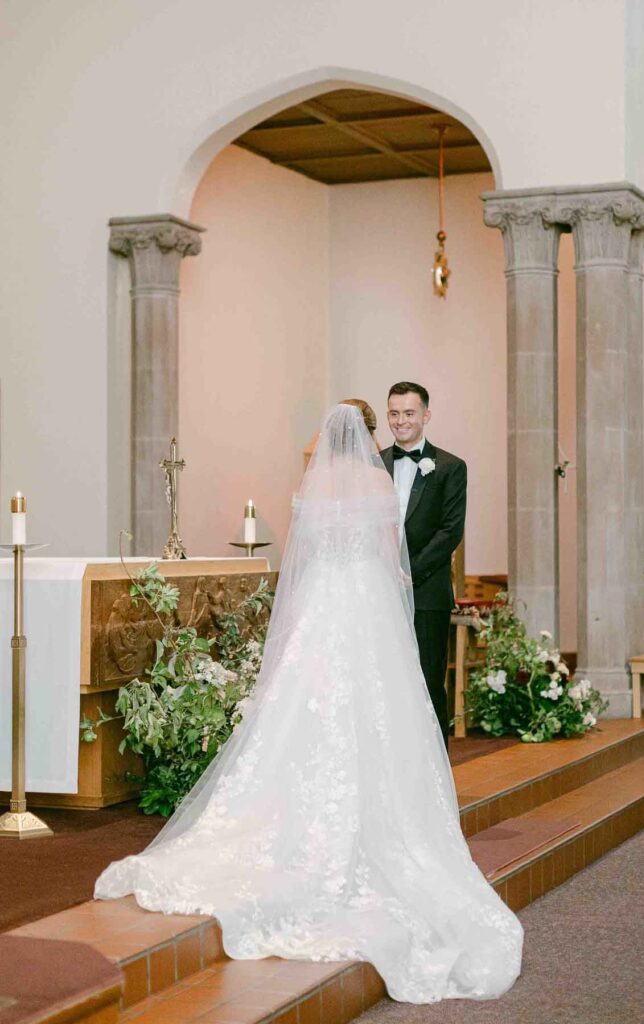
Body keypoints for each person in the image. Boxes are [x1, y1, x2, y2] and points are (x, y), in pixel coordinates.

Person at [95, 404, 522, 1004]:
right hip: (367, 603)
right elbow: (386, 550)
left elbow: (303, 554)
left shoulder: (314, 481)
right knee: (378, 709)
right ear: (372, 435)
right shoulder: (377, 480)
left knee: (303, 708)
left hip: (322, 602)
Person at [381, 382, 466, 745]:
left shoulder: (450, 467)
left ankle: (437, 778)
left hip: (427, 592)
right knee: (385, 680)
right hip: (378, 590)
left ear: (426, 416)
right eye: (394, 413)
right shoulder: (374, 464)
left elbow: (450, 531)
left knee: (429, 681)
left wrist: (409, 572)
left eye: (409, 413)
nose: (400, 421)